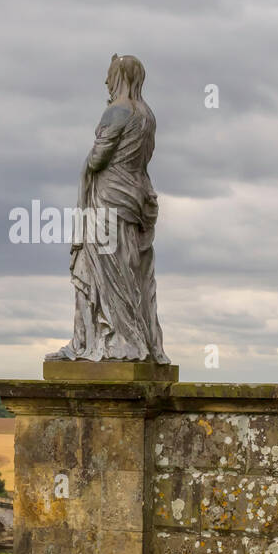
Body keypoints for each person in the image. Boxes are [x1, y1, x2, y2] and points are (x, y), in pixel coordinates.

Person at [47, 54, 168, 363]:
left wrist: (87, 162)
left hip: (109, 199)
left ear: (120, 77)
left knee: (108, 273)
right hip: (134, 197)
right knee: (128, 273)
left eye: (109, 75)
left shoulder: (117, 111)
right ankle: (128, 339)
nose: (105, 82)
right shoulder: (148, 115)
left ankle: (116, 343)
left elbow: (99, 159)